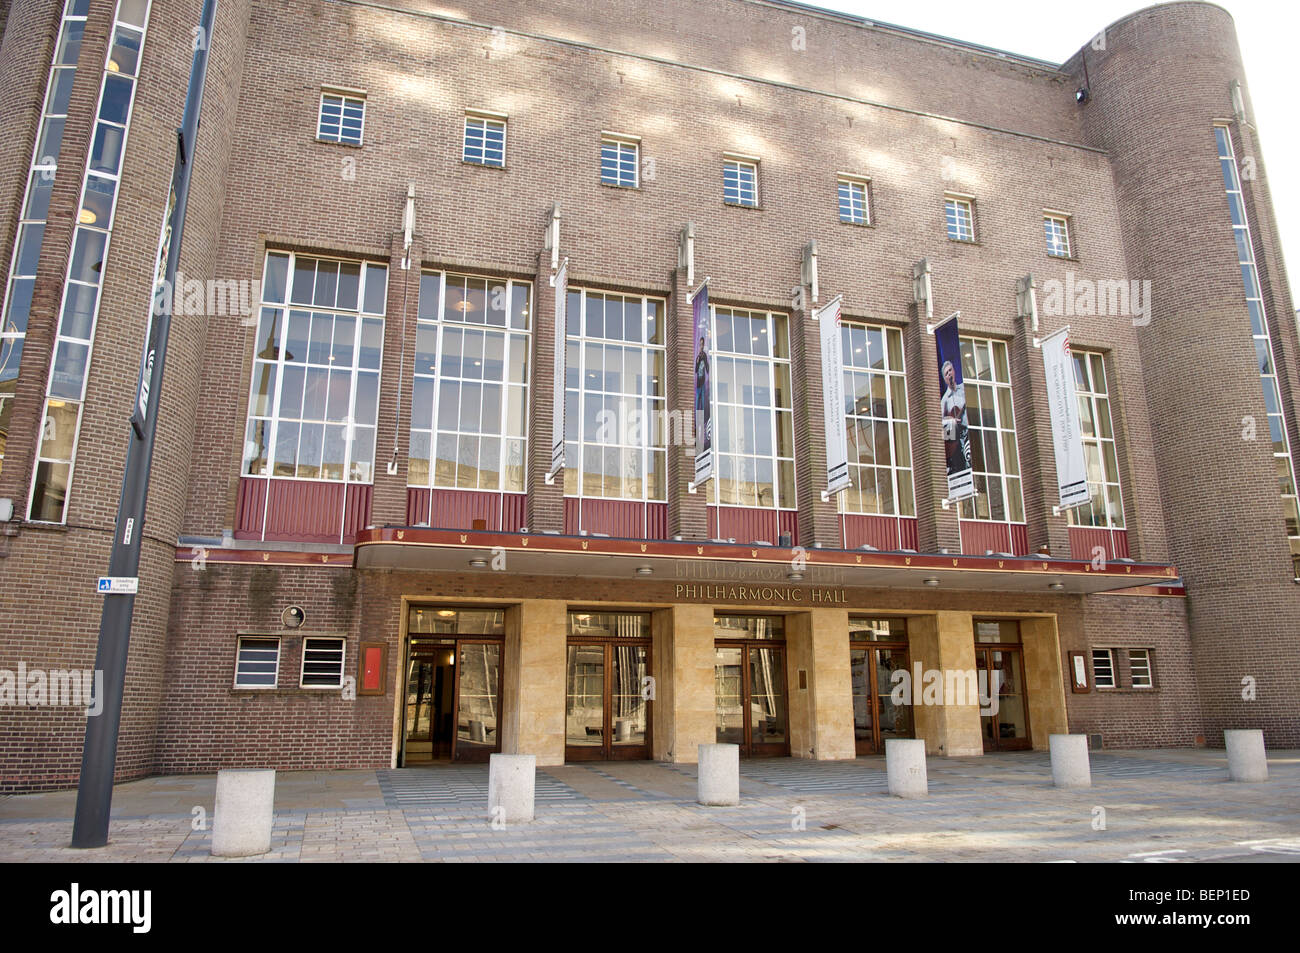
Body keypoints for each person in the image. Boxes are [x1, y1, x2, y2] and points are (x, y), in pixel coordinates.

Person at [940, 359, 969, 474]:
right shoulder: (945, 400)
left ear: (954, 371)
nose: (949, 374)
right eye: (946, 373)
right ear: (945, 379)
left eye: (950, 371)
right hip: (956, 440)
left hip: (968, 432)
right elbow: (939, 422)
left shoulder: (964, 389)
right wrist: (951, 420)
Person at [695, 335, 711, 452]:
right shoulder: (698, 356)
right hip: (698, 383)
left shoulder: (704, 355)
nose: (700, 346)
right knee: (697, 404)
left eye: (702, 344)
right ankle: (697, 423)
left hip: (703, 382)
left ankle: (704, 425)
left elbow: (707, 367)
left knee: (702, 403)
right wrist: (696, 361)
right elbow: (696, 370)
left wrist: (709, 376)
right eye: (699, 344)